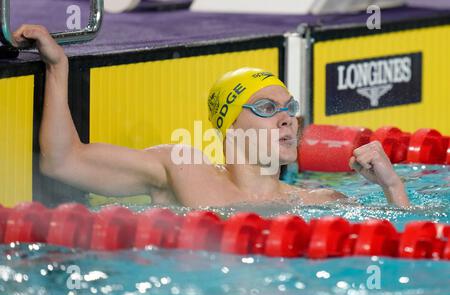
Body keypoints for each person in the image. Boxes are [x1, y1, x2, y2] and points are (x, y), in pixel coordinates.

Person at [12, 24, 410, 208]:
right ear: (230, 126)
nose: (289, 119)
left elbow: (405, 246)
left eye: (290, 109)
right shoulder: (183, 171)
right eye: (269, 109)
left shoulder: (319, 200)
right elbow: (62, 161)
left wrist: (393, 189)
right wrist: (57, 67)